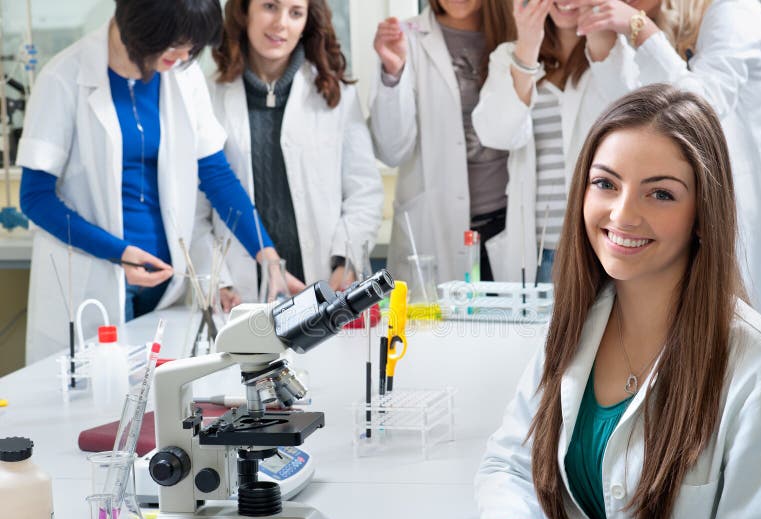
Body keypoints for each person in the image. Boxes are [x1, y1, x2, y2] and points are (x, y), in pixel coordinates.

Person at [475, 84, 761, 519]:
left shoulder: (760, 374)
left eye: (661, 193)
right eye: (606, 184)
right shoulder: (576, 326)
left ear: (703, 215)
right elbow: (508, 461)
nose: (622, 215)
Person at [17, 0, 283, 364]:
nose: (185, 56)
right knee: (95, 411)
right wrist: (118, 252)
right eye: (176, 44)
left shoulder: (180, 73)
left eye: (193, 47)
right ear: (138, 27)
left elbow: (216, 174)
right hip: (91, 278)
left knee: (160, 406)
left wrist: (266, 254)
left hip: (163, 284)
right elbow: (35, 198)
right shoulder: (63, 77)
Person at [565, 0, 761, 357]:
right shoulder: (666, 26)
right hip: (698, 226)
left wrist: (639, 28)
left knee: (747, 358)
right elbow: (635, 119)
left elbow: (699, 109)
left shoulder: (735, 12)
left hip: (742, 229)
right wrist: (601, 39)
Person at [200, 0, 383, 303]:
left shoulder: (336, 95)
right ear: (244, 12)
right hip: (240, 295)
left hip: (322, 285)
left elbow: (364, 191)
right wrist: (217, 280)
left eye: (295, 12)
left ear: (307, 22)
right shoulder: (208, 97)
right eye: (270, 7)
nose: (281, 23)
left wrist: (345, 262)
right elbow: (194, 210)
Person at [472, 0, 638, 283]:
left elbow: (634, 122)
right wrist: (527, 48)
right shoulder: (510, 55)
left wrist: (600, 35)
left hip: (602, 244)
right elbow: (497, 133)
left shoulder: (626, 51)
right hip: (536, 247)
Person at [369, 0, 516, 283]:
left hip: (507, 224)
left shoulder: (518, 35)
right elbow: (391, 150)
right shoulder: (404, 37)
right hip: (435, 227)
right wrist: (393, 70)